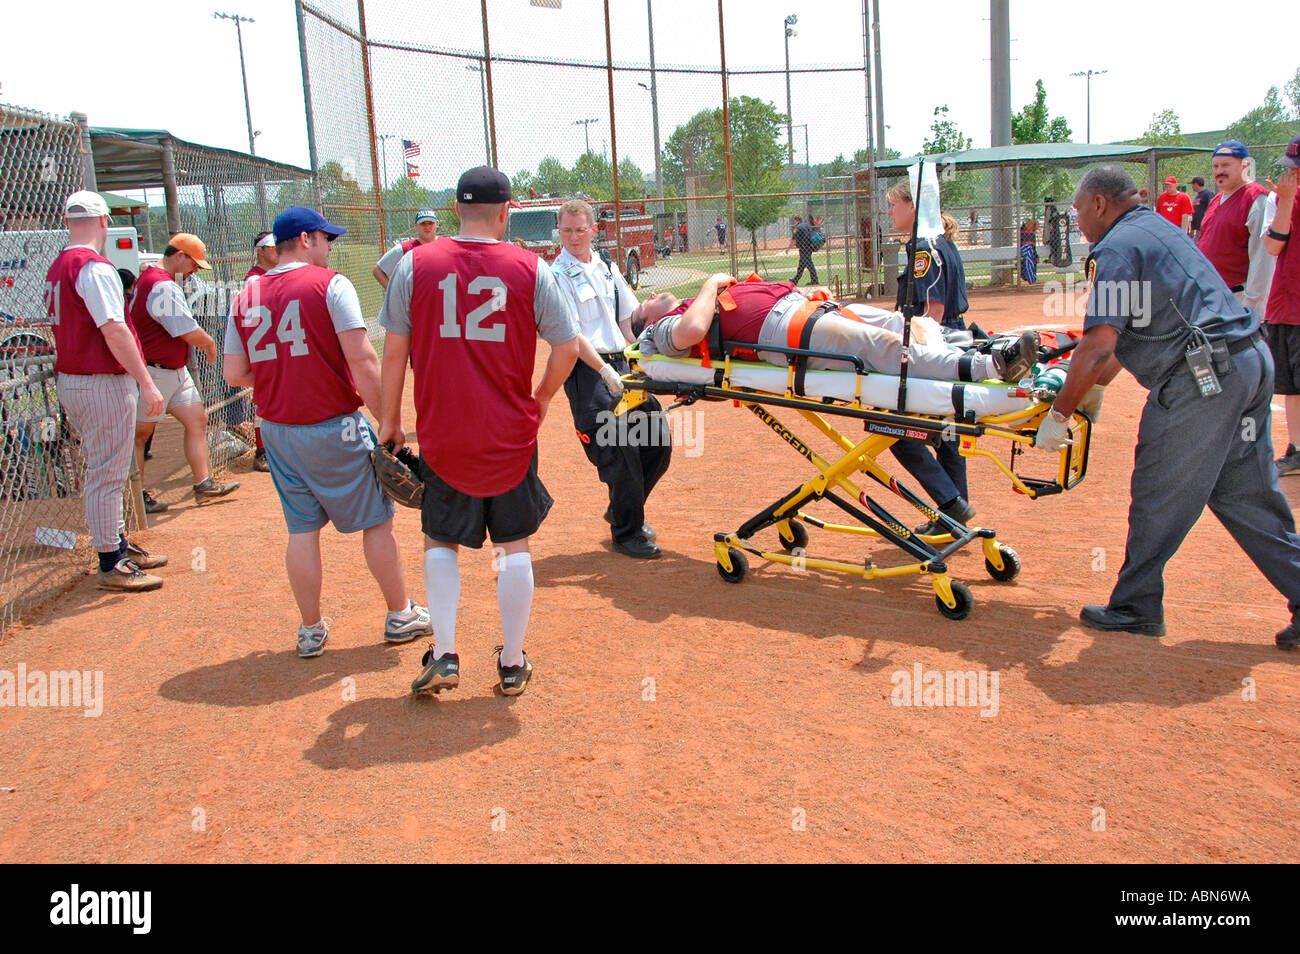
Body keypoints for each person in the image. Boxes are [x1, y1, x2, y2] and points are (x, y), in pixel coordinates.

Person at [1034, 165, 1300, 651]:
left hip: (1203, 380)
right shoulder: (1154, 229)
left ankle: (1135, 605)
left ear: (1099, 203)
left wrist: (1058, 415)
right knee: (1245, 493)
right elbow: (1115, 350)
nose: (1076, 218)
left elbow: (1096, 348)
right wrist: (1092, 390)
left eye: (1077, 208)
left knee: (1158, 484)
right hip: (1245, 363)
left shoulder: (1115, 248)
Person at [377, 166, 580, 697]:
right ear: (507, 211)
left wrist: (391, 419)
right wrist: (539, 402)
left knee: (440, 539)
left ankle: (444, 654)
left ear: (453, 210)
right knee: (514, 546)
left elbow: (393, 349)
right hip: (510, 430)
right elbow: (567, 348)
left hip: (443, 430)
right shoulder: (531, 268)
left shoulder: (414, 264)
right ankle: (512, 662)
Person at [223, 206, 432, 658]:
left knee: (302, 530)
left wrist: (286, 373)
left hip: (277, 430)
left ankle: (310, 630)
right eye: (325, 238)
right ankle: (400, 614)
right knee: (377, 520)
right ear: (304, 240)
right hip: (334, 426)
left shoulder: (245, 294)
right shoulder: (330, 284)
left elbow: (235, 372)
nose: (330, 246)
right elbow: (362, 360)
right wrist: (388, 422)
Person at [47, 190, 168, 592]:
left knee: (107, 469)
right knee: (108, 473)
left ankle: (114, 543)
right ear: (103, 222)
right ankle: (109, 561)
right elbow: (114, 329)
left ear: (68, 221)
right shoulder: (93, 267)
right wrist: (147, 382)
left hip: (78, 379)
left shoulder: (59, 264)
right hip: (100, 380)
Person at [633, 274, 1038, 386]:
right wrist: (710, 284)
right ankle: (990, 368)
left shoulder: (690, 303)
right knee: (884, 346)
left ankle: (975, 344)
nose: (652, 294)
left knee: (900, 321)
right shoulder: (661, 332)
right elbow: (692, 332)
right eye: (645, 301)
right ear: (646, 321)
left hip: (804, 307)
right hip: (784, 330)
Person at [551, 198, 672, 559]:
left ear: (593, 230)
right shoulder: (556, 276)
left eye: (580, 229)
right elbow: (571, 335)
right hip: (587, 369)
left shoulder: (606, 267)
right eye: (567, 230)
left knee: (657, 442)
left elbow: (624, 320)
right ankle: (626, 532)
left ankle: (623, 509)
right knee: (619, 447)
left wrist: (640, 358)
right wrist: (603, 370)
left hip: (622, 363)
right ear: (559, 230)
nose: (573, 237)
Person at [886, 183, 983, 532]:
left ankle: (949, 505)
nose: (890, 212)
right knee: (946, 431)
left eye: (894, 205)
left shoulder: (924, 246)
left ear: (914, 207)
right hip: (952, 342)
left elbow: (934, 312)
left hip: (935, 342)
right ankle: (954, 513)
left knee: (895, 430)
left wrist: (910, 353)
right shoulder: (939, 241)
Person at [129, 234, 240, 513]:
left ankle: (203, 483)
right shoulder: (162, 285)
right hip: (155, 371)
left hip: (174, 370)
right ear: (179, 256)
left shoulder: (157, 279)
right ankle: (135, 496)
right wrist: (210, 343)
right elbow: (186, 330)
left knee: (197, 420)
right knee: (141, 434)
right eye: (193, 265)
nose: (194, 272)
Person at [1197, 140, 1275, 315]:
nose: (1219, 171)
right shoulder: (1217, 199)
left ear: (1244, 165)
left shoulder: (1256, 198)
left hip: (1238, 299)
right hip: (1212, 296)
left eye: (1226, 165)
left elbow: (1262, 260)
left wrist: (1252, 306)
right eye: (1215, 166)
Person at [1263, 135, 1300, 475]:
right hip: (1288, 304)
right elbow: (1273, 247)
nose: (1292, 176)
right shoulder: (1280, 199)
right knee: (1292, 386)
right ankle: (1298, 449)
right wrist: (1287, 200)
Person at [242, 232, 278, 472]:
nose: (276, 251)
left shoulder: (274, 275)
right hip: (263, 346)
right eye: (271, 247)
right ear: (260, 251)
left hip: (277, 344)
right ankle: (262, 450)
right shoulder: (253, 280)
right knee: (264, 399)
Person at [372, 208, 439, 289]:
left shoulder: (446, 246)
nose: (427, 227)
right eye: (423, 223)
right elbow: (378, 270)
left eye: (430, 223)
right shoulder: (405, 249)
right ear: (416, 225)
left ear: (437, 224)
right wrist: (394, 293)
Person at [787, 214, 819, 286]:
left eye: (794, 221)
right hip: (809, 247)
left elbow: (794, 240)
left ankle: (815, 280)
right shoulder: (807, 225)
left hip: (803, 248)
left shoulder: (797, 228)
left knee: (809, 264)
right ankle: (795, 279)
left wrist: (788, 249)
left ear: (796, 220)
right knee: (801, 265)